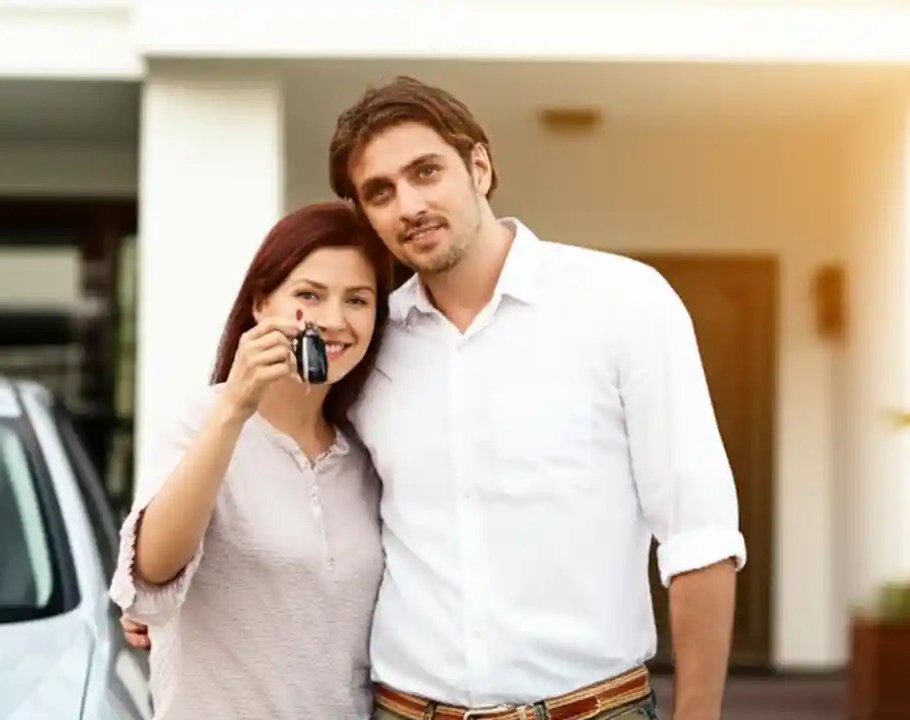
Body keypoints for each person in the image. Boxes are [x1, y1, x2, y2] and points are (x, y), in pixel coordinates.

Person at [328, 77, 746, 720]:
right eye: (380, 192)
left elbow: (699, 536)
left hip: (593, 708)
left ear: (479, 166)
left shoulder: (625, 302)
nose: (408, 205)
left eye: (426, 171)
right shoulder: (369, 343)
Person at [108, 201, 394, 718]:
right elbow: (150, 575)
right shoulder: (204, 420)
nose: (333, 320)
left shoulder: (366, 451)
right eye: (309, 295)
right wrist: (235, 407)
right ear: (262, 303)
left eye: (357, 300)